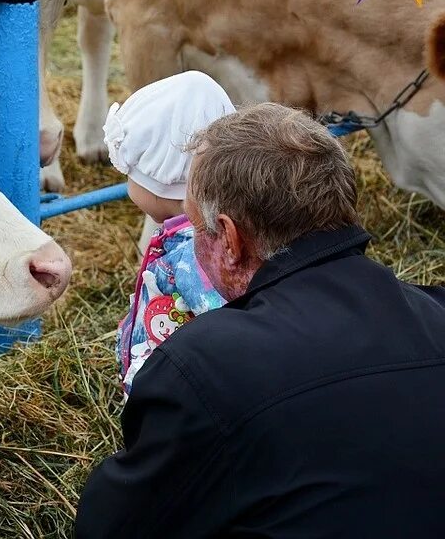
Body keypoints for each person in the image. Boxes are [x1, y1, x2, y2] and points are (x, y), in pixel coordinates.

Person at [76, 104, 445, 538]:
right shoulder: (436, 310)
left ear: (230, 240)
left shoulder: (202, 368)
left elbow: (112, 527)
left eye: (196, 228)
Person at [103, 71, 233, 397]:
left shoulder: (186, 258)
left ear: (160, 176)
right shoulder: (229, 237)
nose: (127, 180)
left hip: (174, 402)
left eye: (131, 171)